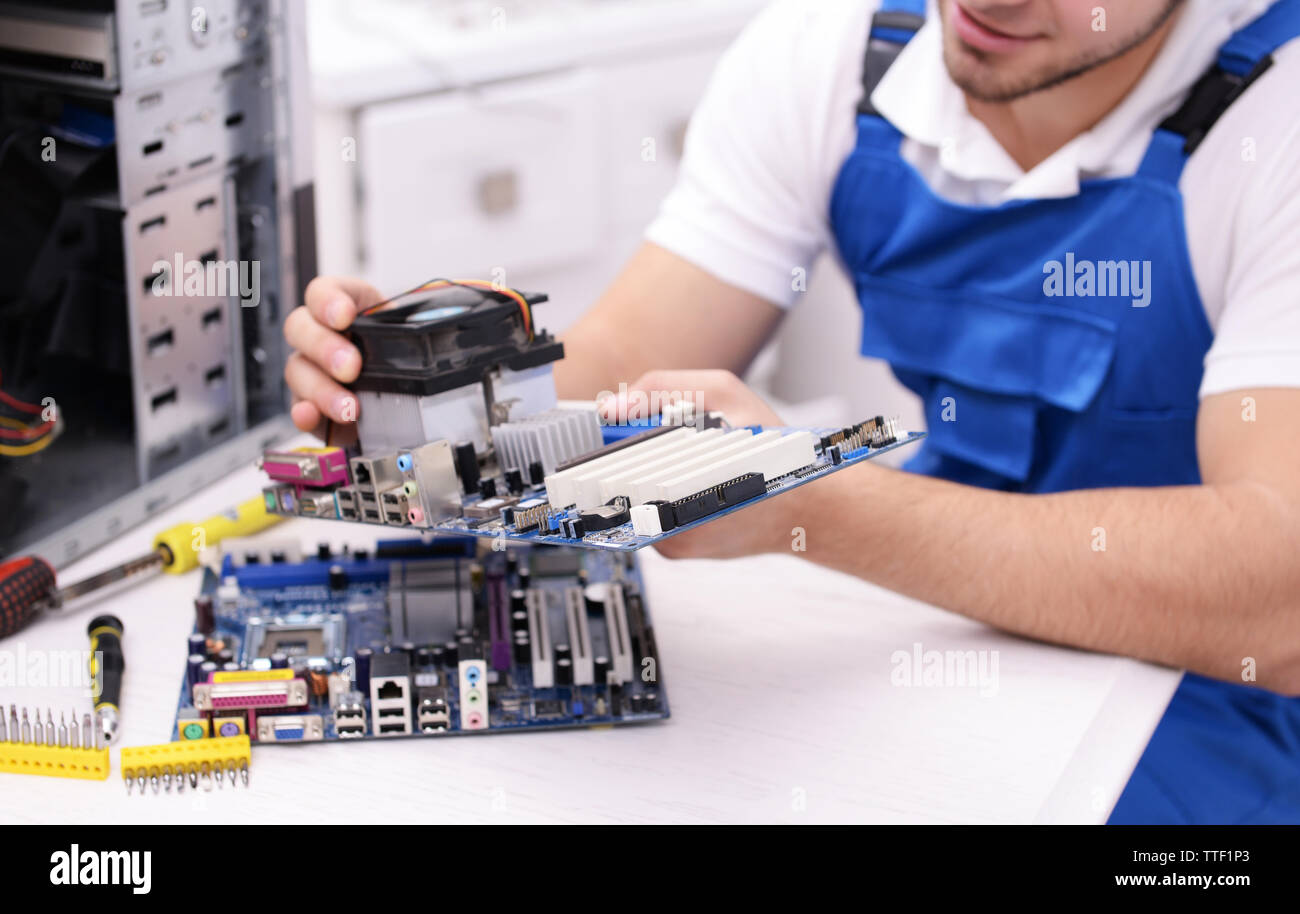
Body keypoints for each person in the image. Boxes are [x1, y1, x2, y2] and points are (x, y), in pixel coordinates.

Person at [283, 0, 1300, 822]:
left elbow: (1278, 594)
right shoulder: (841, 49)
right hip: (945, 616)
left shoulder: (1275, 124)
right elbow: (634, 359)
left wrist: (814, 498)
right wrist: (447, 389)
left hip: (1217, 688)